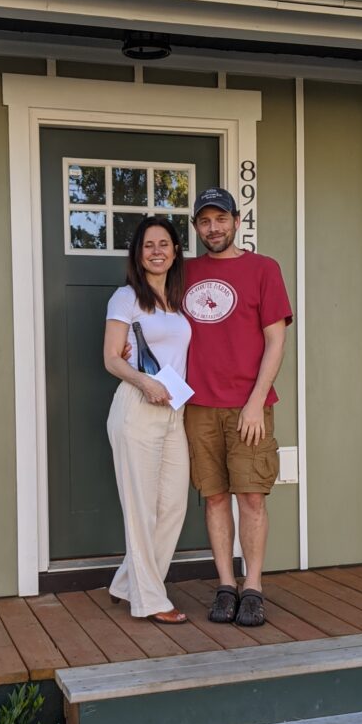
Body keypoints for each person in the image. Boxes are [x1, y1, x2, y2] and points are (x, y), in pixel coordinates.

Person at [182, 187, 293, 627]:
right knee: (213, 498)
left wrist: (253, 403)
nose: (214, 228)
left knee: (251, 497)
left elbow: (275, 340)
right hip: (199, 407)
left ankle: (253, 587)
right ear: (196, 228)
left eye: (221, 219)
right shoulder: (183, 273)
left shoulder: (263, 269)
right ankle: (225, 585)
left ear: (236, 221)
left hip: (249, 406)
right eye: (205, 221)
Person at [103, 215, 191, 624]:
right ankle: (152, 600)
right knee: (142, 509)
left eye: (164, 244)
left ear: (175, 251)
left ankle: (127, 583)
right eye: (148, 245)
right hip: (137, 407)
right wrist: (143, 382)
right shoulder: (126, 298)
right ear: (138, 255)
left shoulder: (178, 300)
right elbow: (110, 358)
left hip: (175, 411)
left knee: (172, 506)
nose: (157, 251)